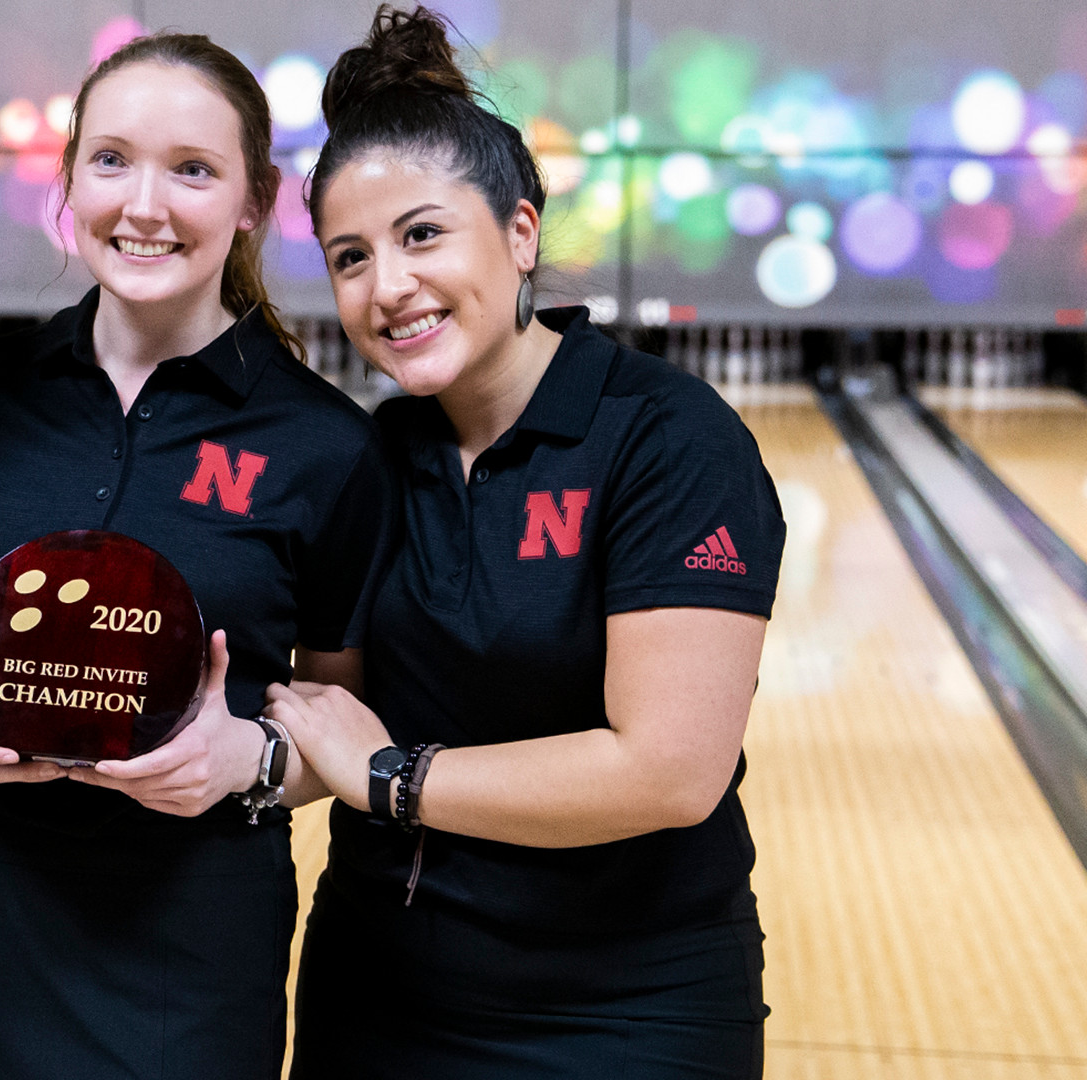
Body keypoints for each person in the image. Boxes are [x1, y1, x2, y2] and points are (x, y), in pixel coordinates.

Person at [264, 7, 787, 1078]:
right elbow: (328, 717)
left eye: (422, 235)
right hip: (384, 985)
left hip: (633, 1000)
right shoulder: (363, 459)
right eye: (349, 257)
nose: (387, 286)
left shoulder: (665, 438)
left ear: (520, 232)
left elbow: (667, 771)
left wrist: (392, 780)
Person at [0, 32, 393, 1080]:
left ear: (255, 199)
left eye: (193, 170)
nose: (144, 205)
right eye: (111, 160)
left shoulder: (326, 445)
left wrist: (246, 763)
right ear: (68, 178)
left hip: (188, 948)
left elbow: (342, 724)